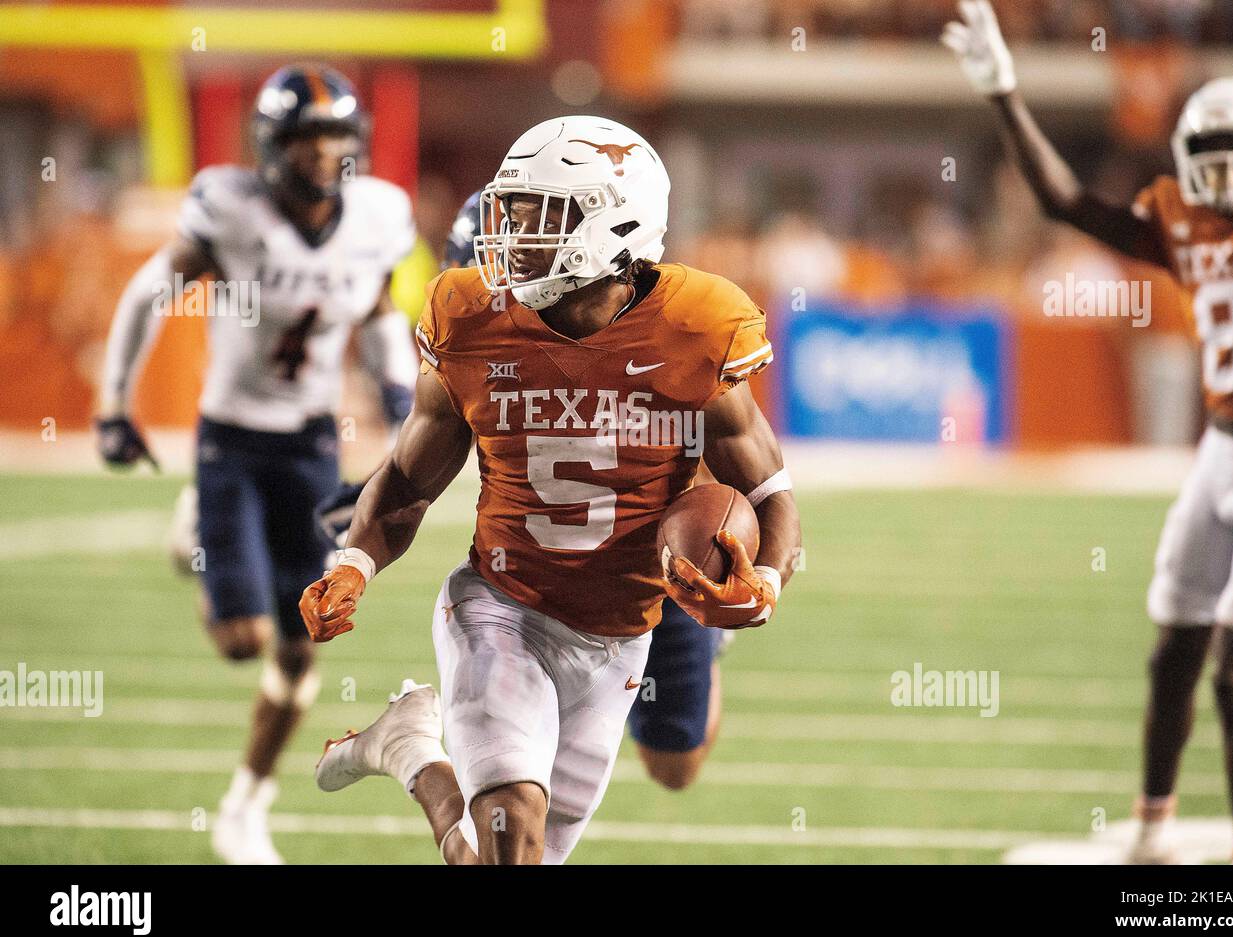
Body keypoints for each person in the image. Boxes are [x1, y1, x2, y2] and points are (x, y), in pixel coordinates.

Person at [301, 115, 802, 864]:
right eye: (515, 210)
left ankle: (409, 750)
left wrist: (764, 578)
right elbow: (407, 478)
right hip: (502, 606)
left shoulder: (696, 326)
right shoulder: (470, 319)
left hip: (620, 632)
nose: (512, 234)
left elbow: (769, 490)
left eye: (542, 215)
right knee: (513, 837)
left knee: (511, 851)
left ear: (618, 221)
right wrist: (354, 562)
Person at [945, 0, 1233, 863]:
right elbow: (1068, 202)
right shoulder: (1180, 217)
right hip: (1218, 452)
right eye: (1207, 156)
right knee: (1173, 653)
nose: (1220, 174)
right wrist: (1005, 94)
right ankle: (1151, 830)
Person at [96, 64, 418, 864]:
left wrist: (399, 390)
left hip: (310, 440)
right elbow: (148, 293)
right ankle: (199, 523)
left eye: (337, 137)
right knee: (241, 638)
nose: (323, 154)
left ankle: (247, 801)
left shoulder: (376, 216)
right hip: (231, 437)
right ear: (274, 146)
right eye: (309, 138)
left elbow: (378, 311)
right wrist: (113, 404)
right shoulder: (231, 208)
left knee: (303, 636)